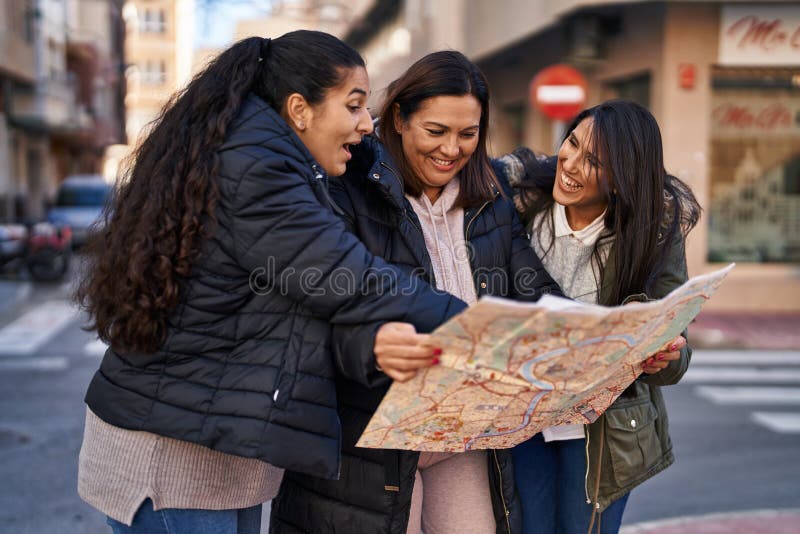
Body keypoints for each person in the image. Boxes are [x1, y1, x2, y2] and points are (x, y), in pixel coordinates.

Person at [76, 31, 467, 534]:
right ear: (300, 109)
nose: (366, 125)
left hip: (218, 448)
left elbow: (294, 303)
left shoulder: (268, 159)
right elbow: (343, 274)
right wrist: (480, 327)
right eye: (352, 106)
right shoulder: (255, 167)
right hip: (173, 461)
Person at [270, 51, 563, 534]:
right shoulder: (350, 193)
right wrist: (370, 348)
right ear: (399, 119)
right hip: (370, 443)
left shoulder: (491, 202)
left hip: (464, 431)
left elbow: (535, 293)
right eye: (436, 131)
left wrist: (602, 334)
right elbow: (313, 316)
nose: (452, 149)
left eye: (468, 134)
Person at [495, 99, 701, 534]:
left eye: (594, 162)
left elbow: (675, 346)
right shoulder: (522, 204)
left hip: (602, 430)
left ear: (622, 178)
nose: (570, 164)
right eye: (571, 143)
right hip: (523, 415)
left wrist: (664, 354)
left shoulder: (652, 232)